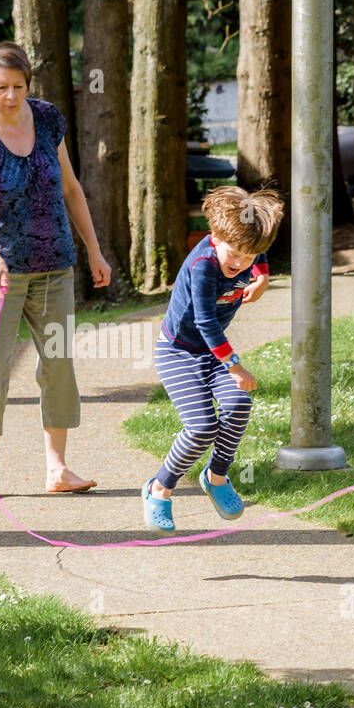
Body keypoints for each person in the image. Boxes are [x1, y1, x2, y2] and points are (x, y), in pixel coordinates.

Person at [0, 41, 112, 501]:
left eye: (18, 86)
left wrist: (94, 251)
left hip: (54, 264)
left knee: (58, 363)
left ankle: (58, 469)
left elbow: (71, 188)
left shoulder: (46, 118)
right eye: (1, 88)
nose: (11, 96)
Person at [142, 186, 281, 532]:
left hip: (212, 351)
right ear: (215, 236)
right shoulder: (203, 266)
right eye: (234, 255)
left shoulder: (248, 250)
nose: (239, 265)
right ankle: (159, 488)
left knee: (238, 405)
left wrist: (262, 275)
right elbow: (205, 322)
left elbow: (258, 253)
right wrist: (234, 366)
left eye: (248, 258)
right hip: (178, 352)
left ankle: (216, 477)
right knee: (202, 426)